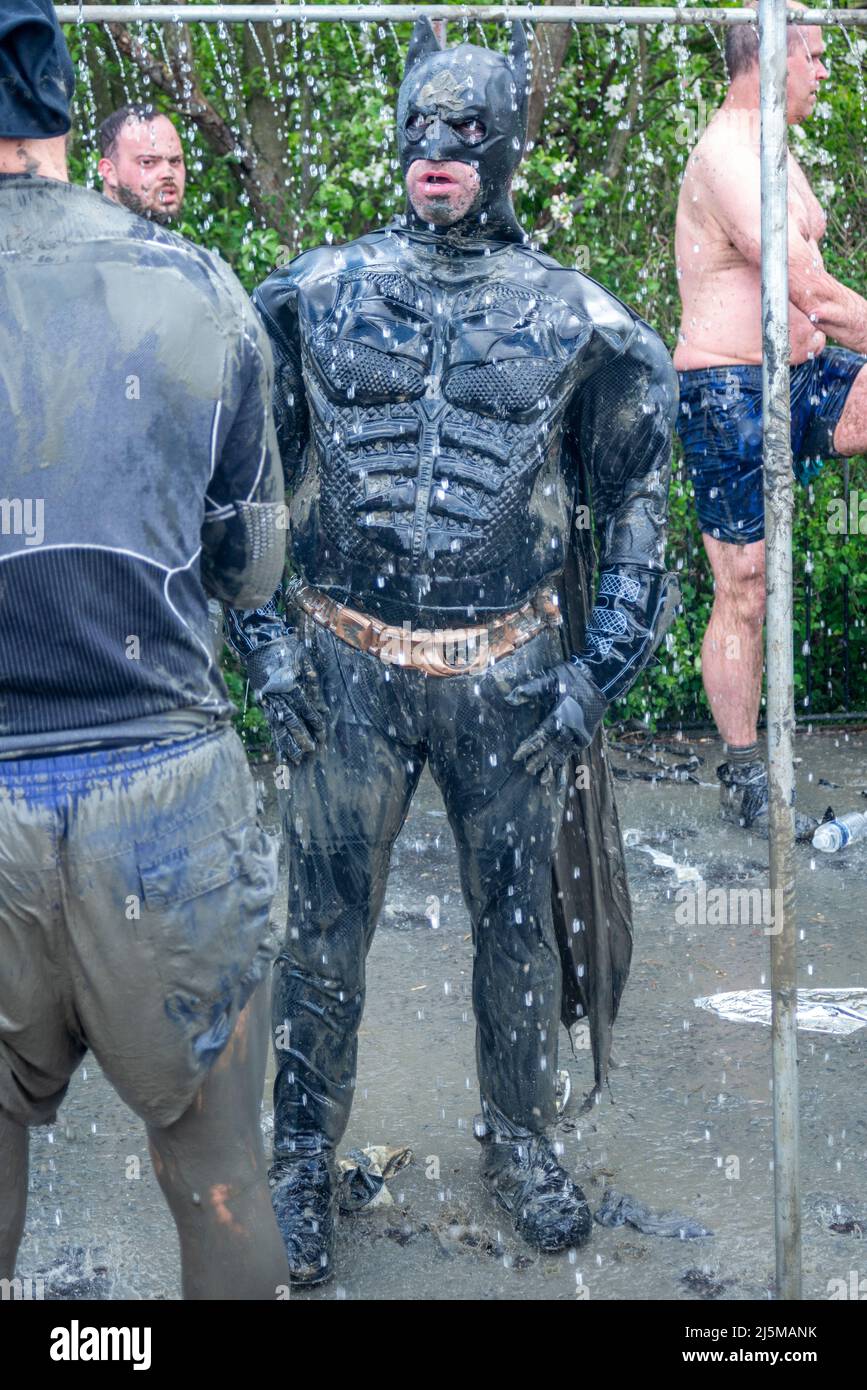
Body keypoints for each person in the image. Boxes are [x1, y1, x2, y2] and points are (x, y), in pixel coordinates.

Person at [228, 18, 678, 1285]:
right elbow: (240, 493)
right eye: (422, 123)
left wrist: (601, 671)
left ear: (510, 146)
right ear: (395, 136)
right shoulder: (309, 297)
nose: (439, 147)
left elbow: (640, 513)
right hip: (344, 661)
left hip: (513, 671)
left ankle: (524, 1136)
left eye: (469, 128)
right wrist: (264, 649)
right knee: (319, 926)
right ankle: (303, 1153)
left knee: (518, 927)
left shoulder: (581, 321)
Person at [0, 1, 290, 1300]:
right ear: (66, 113)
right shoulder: (192, 288)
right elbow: (251, 567)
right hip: (166, 801)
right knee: (222, 1178)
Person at [674, 1, 867, 831]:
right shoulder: (727, 153)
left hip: (805, 374)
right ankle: (745, 770)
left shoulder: (777, 147)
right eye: (815, 56)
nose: (824, 72)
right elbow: (813, 294)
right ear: (769, 55)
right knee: (744, 586)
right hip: (729, 390)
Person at [97, 101, 186, 224]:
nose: (168, 173)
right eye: (148, 162)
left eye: (175, 161)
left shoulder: (173, 241)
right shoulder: (81, 237)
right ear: (109, 172)